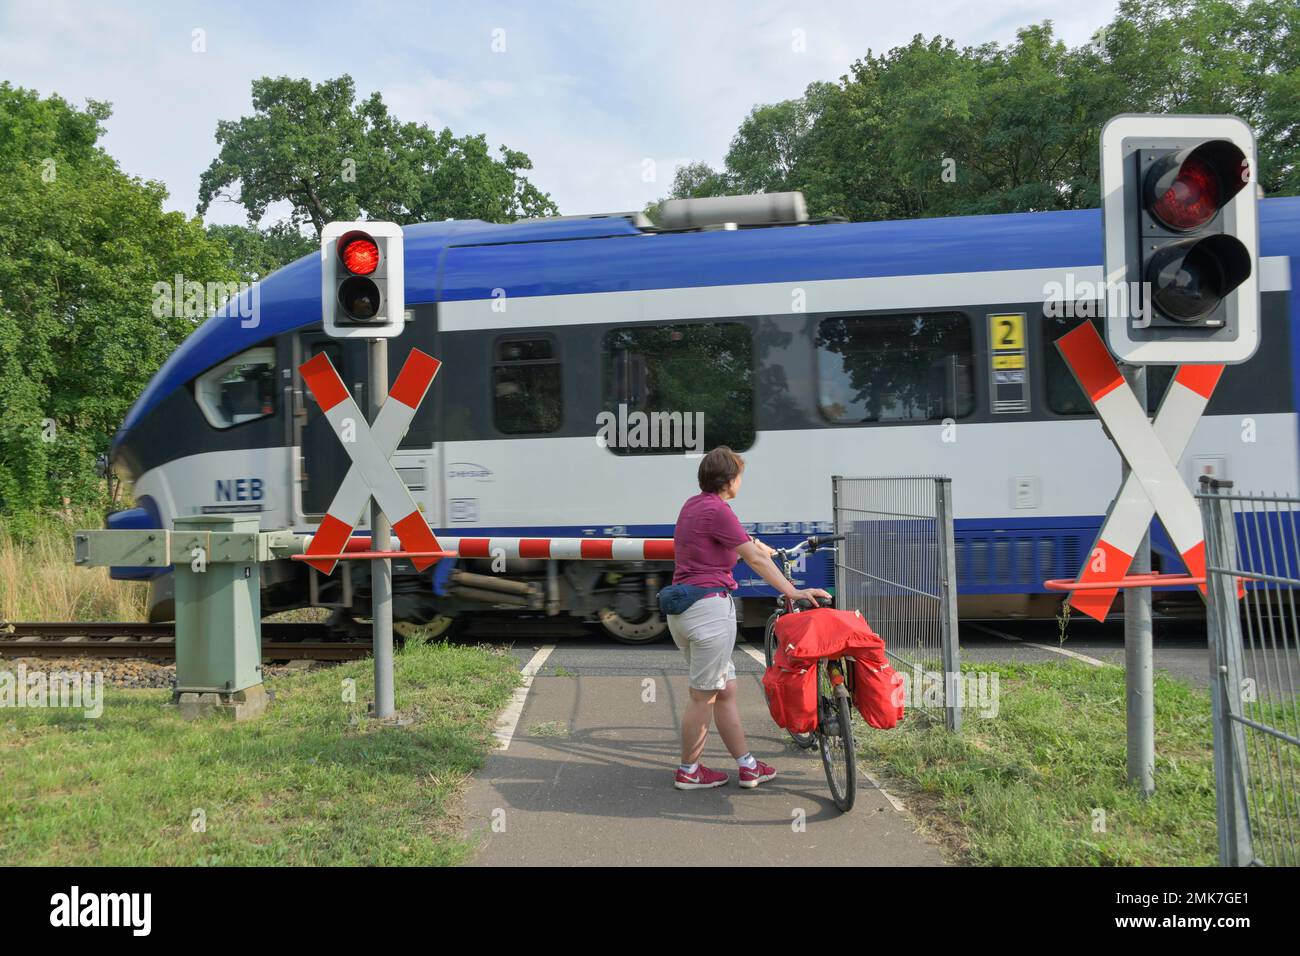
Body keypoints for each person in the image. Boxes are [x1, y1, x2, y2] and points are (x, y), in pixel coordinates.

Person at [666, 446, 832, 790]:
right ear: (730, 480)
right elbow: (754, 560)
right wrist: (793, 591)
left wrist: (756, 545)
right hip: (709, 611)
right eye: (740, 475)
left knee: (724, 690)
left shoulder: (694, 506)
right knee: (703, 697)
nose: (741, 481)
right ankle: (688, 770)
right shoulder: (718, 510)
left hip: (684, 613)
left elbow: (729, 543)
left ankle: (748, 765)